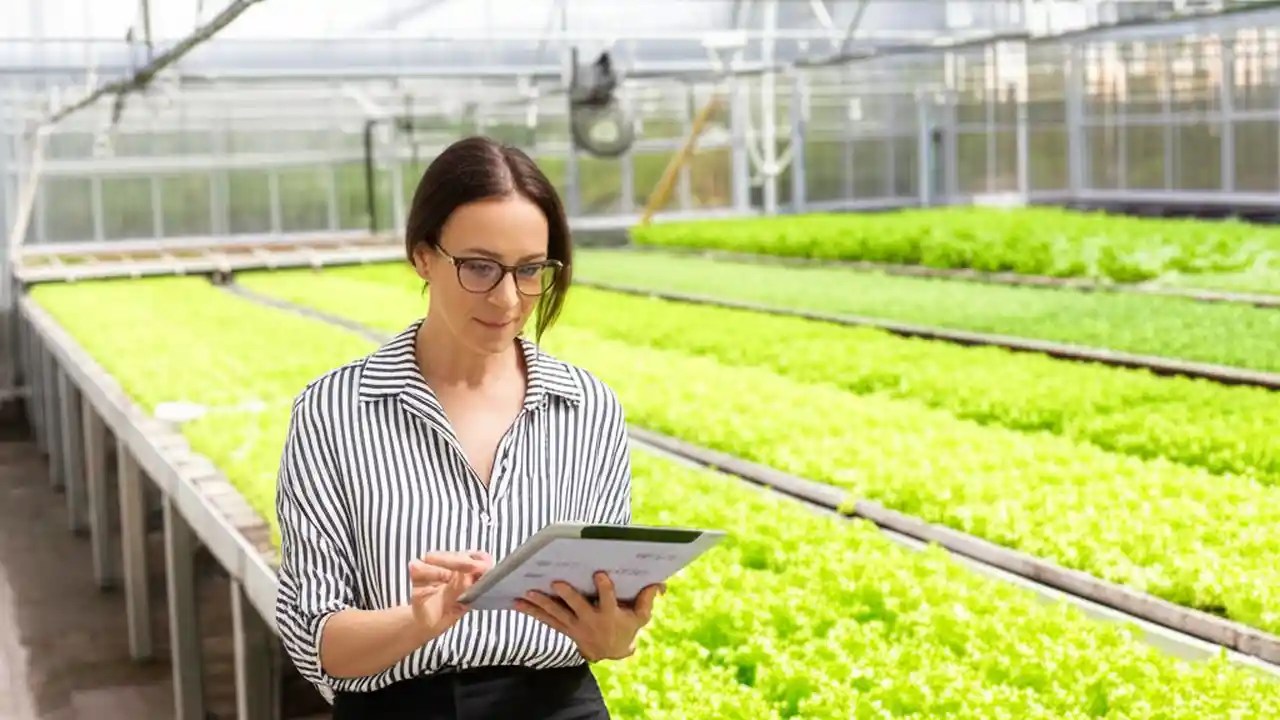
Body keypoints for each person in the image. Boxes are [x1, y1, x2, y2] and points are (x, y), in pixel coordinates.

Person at [274, 136, 664, 719]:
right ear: (422, 256)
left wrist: (615, 636)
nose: (508, 298)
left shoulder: (588, 409)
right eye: (479, 267)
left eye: (530, 269)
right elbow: (317, 638)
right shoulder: (334, 411)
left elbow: (608, 627)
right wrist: (417, 621)